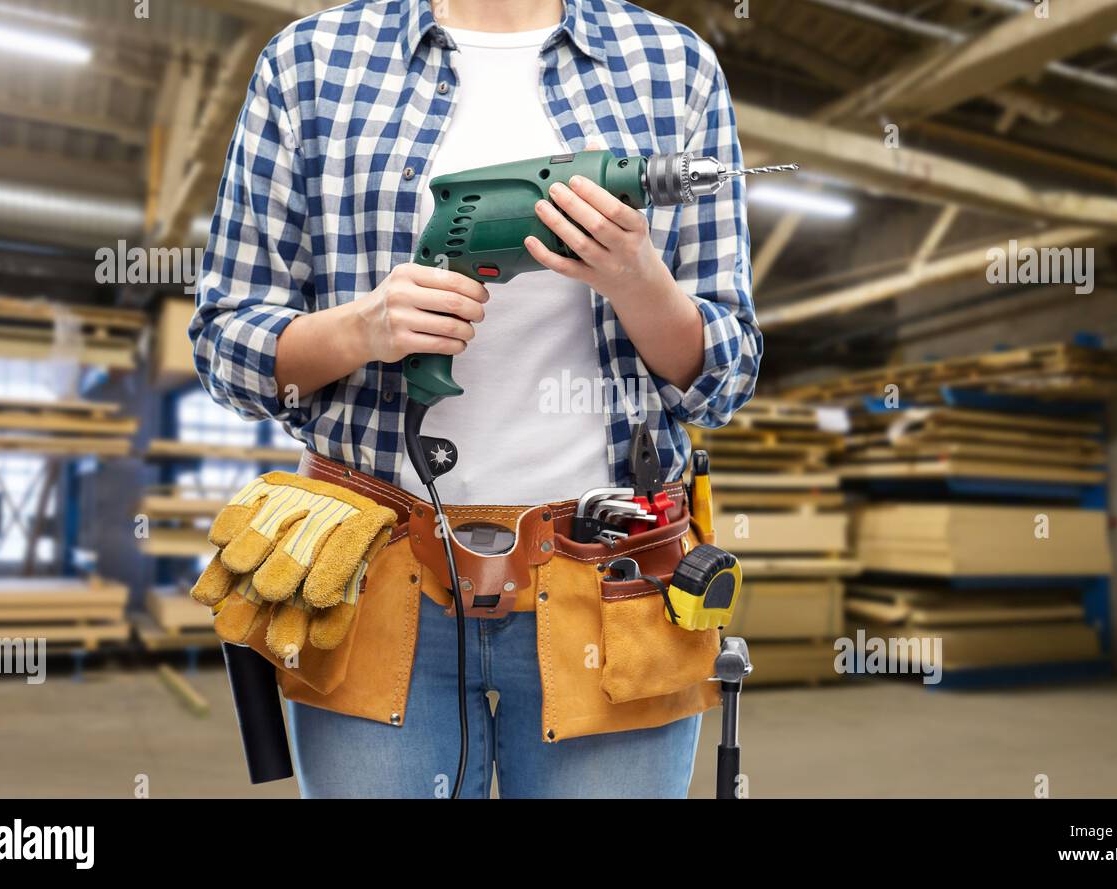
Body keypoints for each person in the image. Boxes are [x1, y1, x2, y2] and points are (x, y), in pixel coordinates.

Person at [190, 0, 760, 798]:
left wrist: (637, 280)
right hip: (372, 577)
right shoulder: (310, 61)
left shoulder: (674, 65)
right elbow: (226, 345)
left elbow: (727, 373)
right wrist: (365, 328)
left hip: (615, 580)